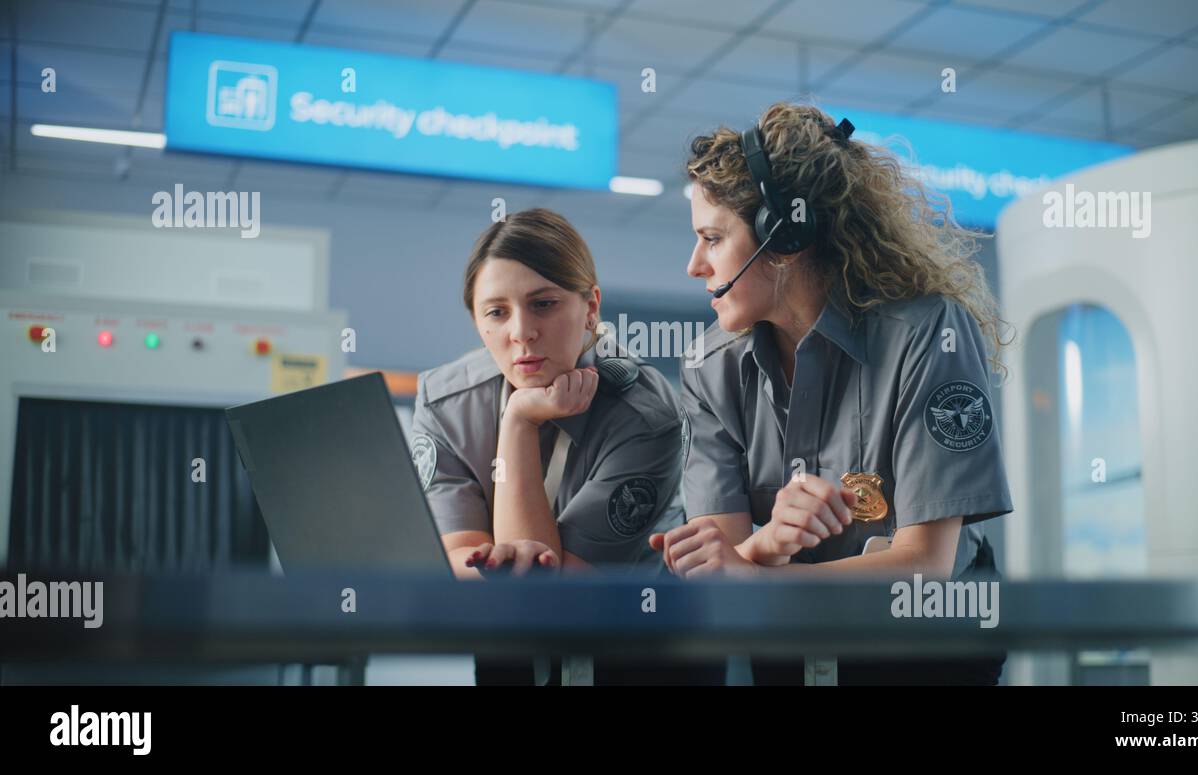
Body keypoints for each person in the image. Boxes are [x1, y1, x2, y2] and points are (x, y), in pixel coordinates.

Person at [653, 102, 1014, 685]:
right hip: (791, 652)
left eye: (712, 238)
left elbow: (924, 569)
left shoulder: (928, 332)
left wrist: (755, 573)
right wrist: (762, 547)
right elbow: (723, 568)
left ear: (784, 236)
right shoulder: (708, 366)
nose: (695, 265)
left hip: (926, 658)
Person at [411, 207, 716, 684]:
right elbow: (462, 560)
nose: (521, 333)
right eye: (496, 312)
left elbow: (555, 596)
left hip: (638, 651)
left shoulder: (644, 415)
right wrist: (520, 418)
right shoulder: (448, 403)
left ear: (591, 307)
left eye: (544, 304)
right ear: (477, 321)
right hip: (508, 648)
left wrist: (516, 423)